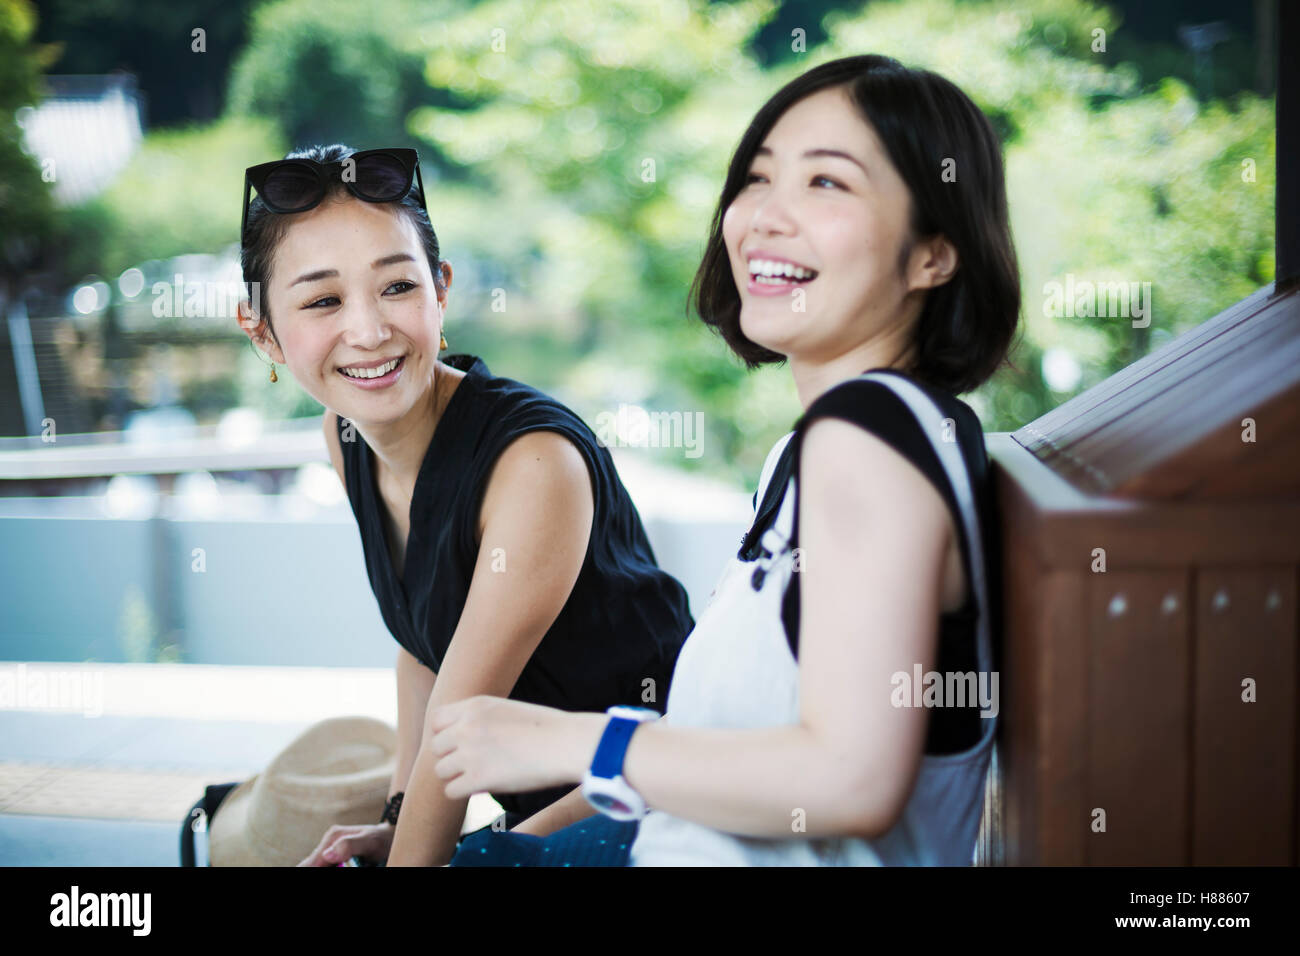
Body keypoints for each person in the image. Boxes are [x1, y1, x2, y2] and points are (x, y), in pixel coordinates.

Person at [426, 53, 1021, 866]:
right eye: (758, 179)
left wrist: (575, 740)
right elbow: (727, 746)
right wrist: (510, 839)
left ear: (934, 255)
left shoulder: (868, 440)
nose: (766, 217)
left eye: (827, 184)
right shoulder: (827, 447)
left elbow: (850, 780)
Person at [234, 143, 695, 867]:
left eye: (397, 287)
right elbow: (427, 649)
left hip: (654, 791)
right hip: (541, 811)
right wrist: (395, 821)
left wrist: (429, 856)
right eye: (323, 300)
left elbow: (459, 718)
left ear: (440, 290)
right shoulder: (346, 433)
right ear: (262, 331)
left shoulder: (533, 463)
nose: (369, 330)